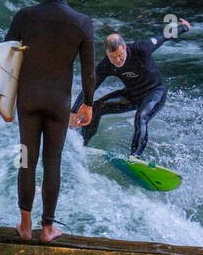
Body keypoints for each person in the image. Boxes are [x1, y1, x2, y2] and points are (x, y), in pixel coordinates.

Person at [4, 0, 94, 243]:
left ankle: (25, 226)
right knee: (52, 163)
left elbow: (5, 57)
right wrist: (88, 104)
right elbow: (88, 70)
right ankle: (47, 229)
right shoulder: (81, 22)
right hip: (58, 102)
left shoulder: (25, 16)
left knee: (26, 161)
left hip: (28, 100)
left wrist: (3, 102)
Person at [76, 17, 192, 158]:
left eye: (120, 55)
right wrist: (73, 111)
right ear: (107, 53)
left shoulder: (141, 48)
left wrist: (183, 27)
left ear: (124, 47)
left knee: (141, 116)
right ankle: (81, 145)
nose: (118, 61)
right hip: (132, 96)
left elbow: (163, 36)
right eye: (113, 57)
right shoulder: (107, 64)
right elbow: (90, 86)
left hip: (155, 93)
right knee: (96, 108)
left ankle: (134, 157)